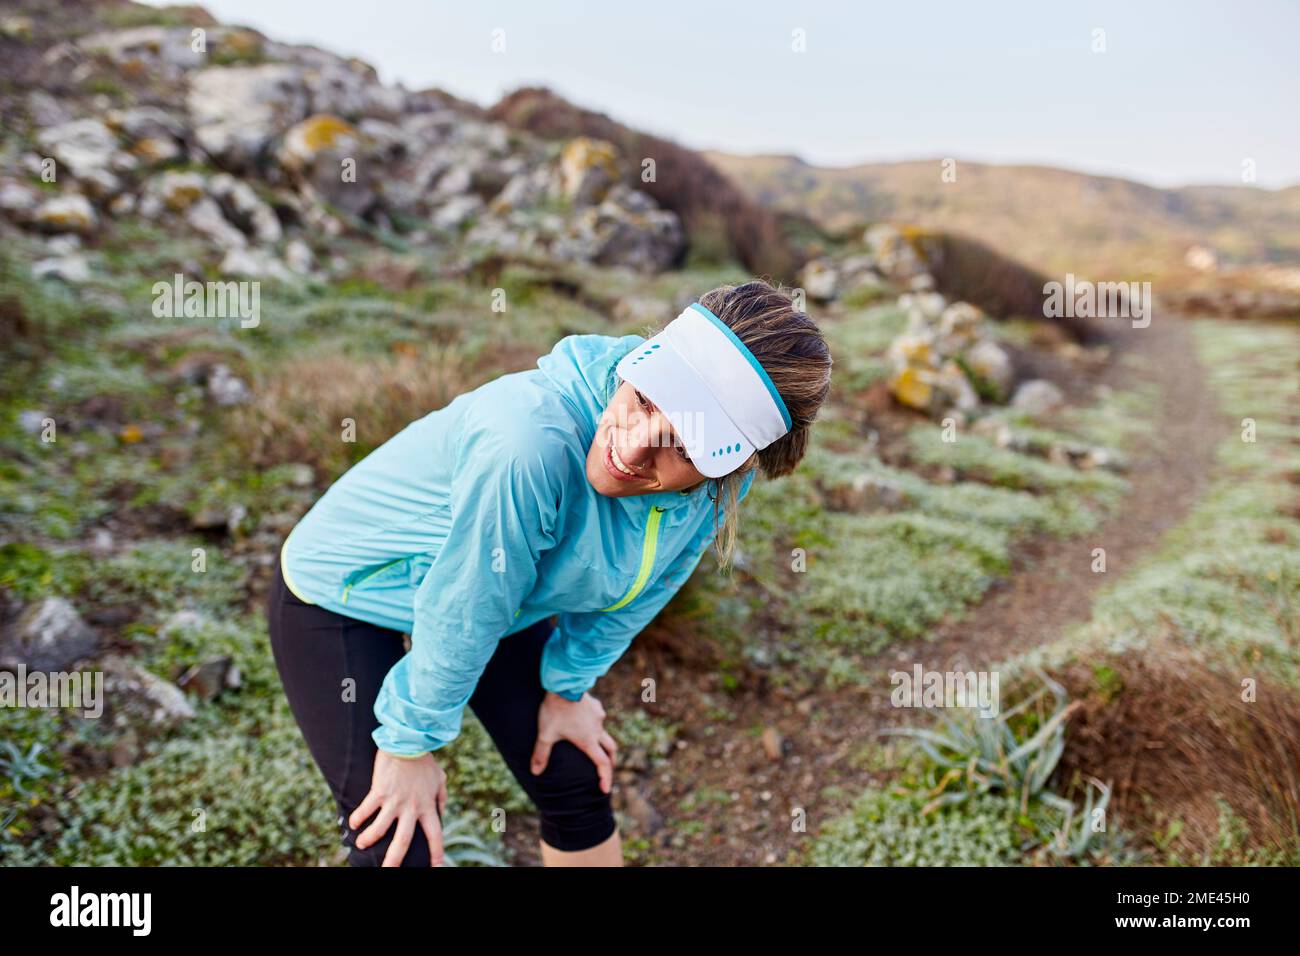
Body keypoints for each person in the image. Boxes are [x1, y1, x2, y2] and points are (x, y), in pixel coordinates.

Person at [266, 278, 832, 866]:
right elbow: (466, 603)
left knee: (574, 775)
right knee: (395, 844)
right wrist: (409, 745)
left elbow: (651, 582)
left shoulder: (721, 476)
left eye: (683, 450)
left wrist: (568, 688)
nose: (631, 451)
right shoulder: (526, 444)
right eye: (642, 402)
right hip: (347, 588)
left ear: (732, 460)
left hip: (504, 599)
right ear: (641, 362)